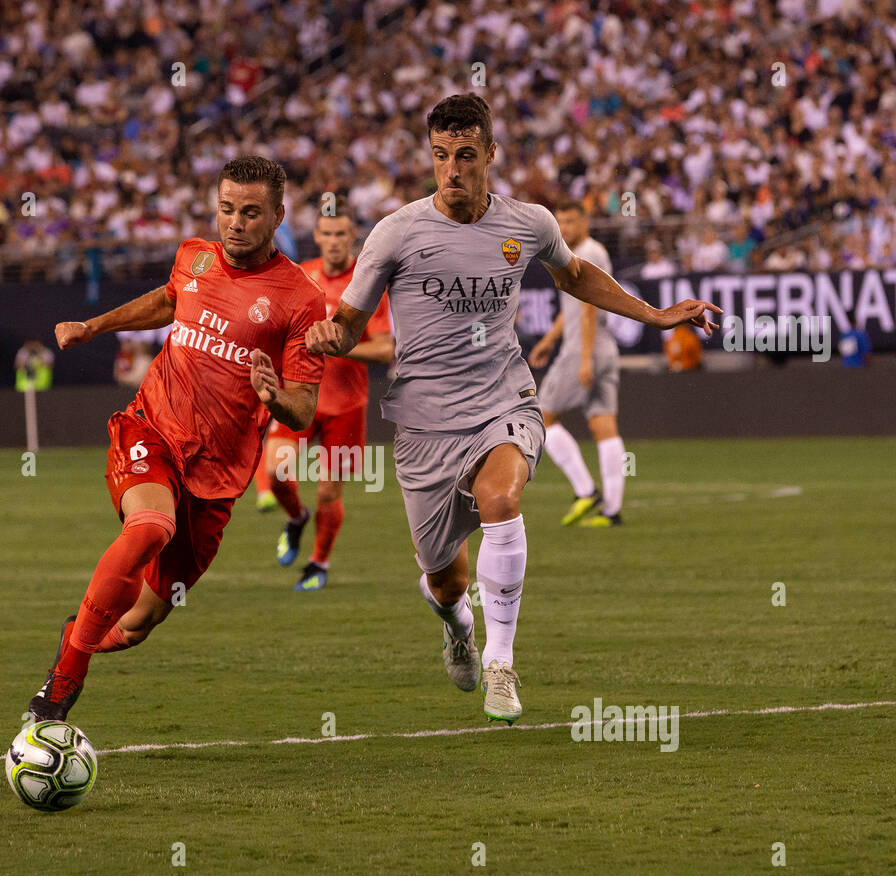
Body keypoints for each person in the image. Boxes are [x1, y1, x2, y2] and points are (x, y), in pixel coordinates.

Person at [306, 94, 719, 724]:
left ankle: (502, 661)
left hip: (504, 398)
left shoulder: (527, 223)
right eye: (441, 156)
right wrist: (326, 339)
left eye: (465, 155)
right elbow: (347, 325)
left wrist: (657, 315)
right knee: (444, 581)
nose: (452, 169)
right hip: (422, 422)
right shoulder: (395, 233)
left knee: (502, 499)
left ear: (490, 154)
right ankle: (458, 626)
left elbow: (575, 275)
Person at [25, 156, 325, 723]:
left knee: (137, 625)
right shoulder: (194, 256)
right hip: (152, 428)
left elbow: (304, 407)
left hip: (219, 476)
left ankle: (77, 636)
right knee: (149, 526)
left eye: (252, 213)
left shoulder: (298, 299)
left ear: (279, 215)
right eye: (227, 209)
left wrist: (274, 397)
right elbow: (168, 301)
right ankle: (62, 686)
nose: (235, 223)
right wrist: (93, 327)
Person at [266, 200, 393, 591]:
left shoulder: (368, 284)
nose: (335, 241)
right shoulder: (302, 277)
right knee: (275, 473)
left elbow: (385, 350)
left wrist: (339, 345)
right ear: (317, 236)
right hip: (300, 395)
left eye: (342, 234)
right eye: (328, 233)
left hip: (346, 406)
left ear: (353, 235)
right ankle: (295, 517)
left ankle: (318, 564)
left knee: (327, 491)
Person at [529, 200, 626, 528]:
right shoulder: (573, 254)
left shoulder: (589, 252)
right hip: (603, 349)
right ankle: (611, 512)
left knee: (542, 417)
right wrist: (549, 339)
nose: (565, 228)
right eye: (561, 222)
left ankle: (586, 491)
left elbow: (589, 307)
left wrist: (584, 358)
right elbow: (571, 307)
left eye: (571, 221)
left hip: (584, 349)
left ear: (584, 222)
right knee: (603, 424)